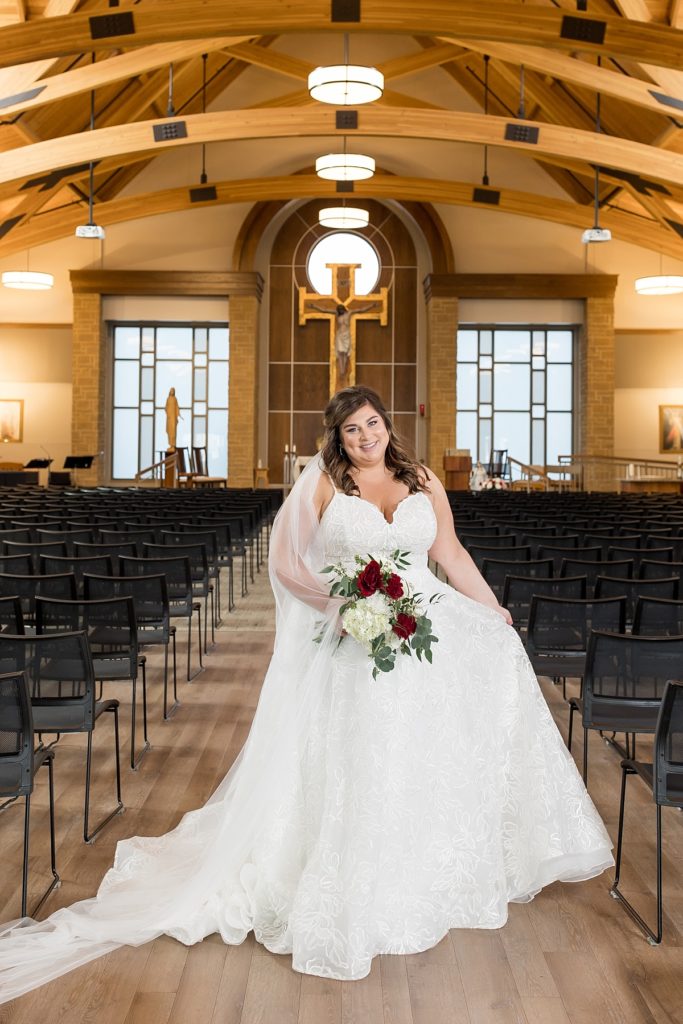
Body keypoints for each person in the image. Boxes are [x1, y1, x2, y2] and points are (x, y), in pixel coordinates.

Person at [0, 385, 613, 1002]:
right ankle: (353, 875)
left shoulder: (424, 478)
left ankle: (424, 870)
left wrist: (493, 608)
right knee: (362, 755)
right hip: (358, 631)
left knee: (428, 751)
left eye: (373, 423)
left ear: (387, 425)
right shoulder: (325, 482)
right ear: (338, 438)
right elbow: (287, 563)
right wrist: (340, 605)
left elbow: (448, 553)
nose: (366, 436)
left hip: (429, 623)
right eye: (352, 430)